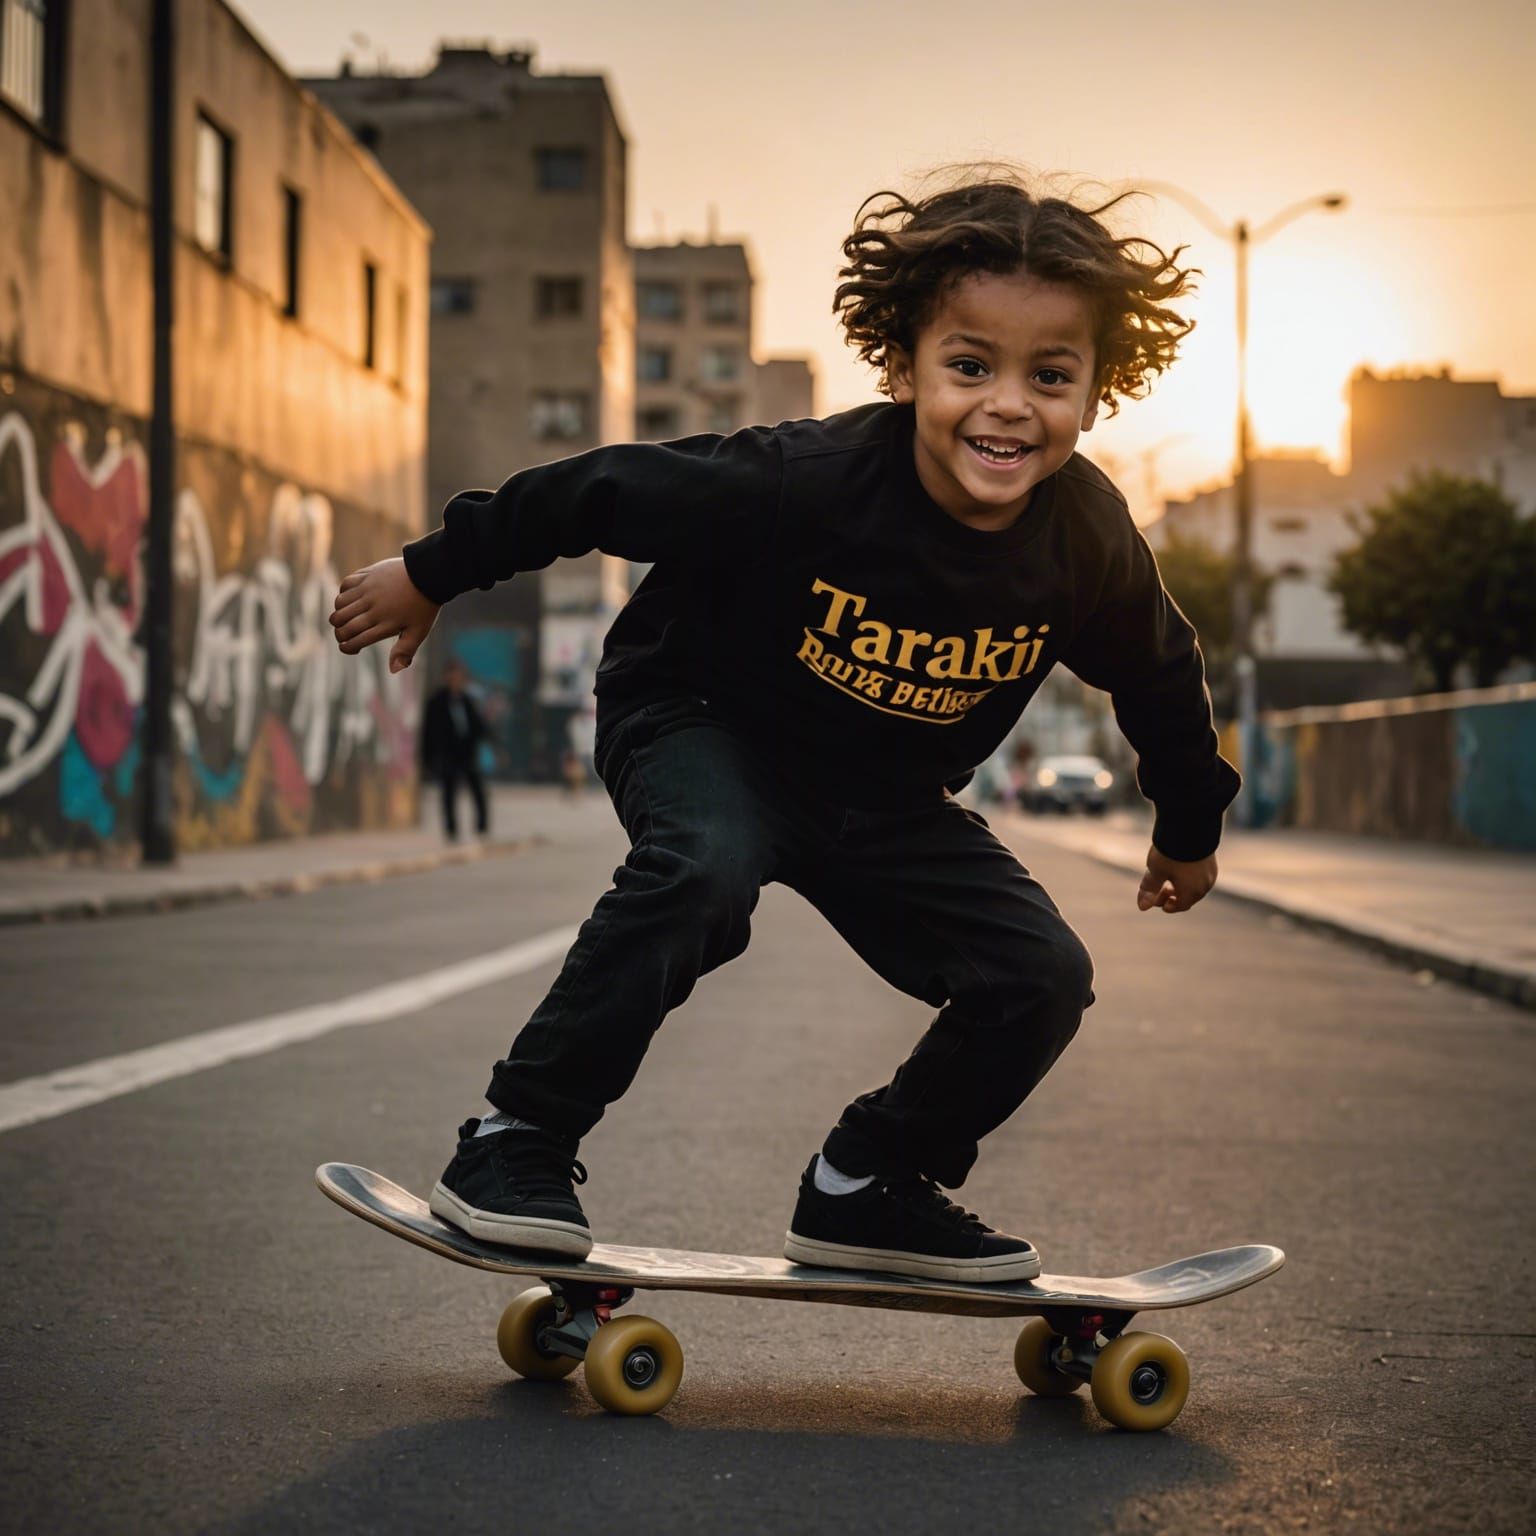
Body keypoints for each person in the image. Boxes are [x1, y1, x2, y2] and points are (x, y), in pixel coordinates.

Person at [330, 168, 1239, 1284]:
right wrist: (434, 569)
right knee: (704, 867)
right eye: (969, 366)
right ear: (904, 367)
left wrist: (1188, 825)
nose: (1009, 405)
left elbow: (1160, 671)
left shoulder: (1086, 536)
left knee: (1040, 972)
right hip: (700, 720)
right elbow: (601, 489)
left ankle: (870, 1183)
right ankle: (515, 1141)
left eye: (1050, 376)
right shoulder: (806, 481)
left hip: (886, 795)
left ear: (1097, 391)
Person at [420, 661, 491, 840]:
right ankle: (451, 830)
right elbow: (428, 732)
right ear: (447, 677)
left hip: (467, 753)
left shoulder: (467, 700)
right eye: (453, 676)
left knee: (478, 791)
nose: (456, 680)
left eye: (459, 677)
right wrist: (428, 759)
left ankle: (482, 827)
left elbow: (477, 726)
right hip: (448, 754)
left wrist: (488, 740)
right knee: (449, 793)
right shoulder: (437, 701)